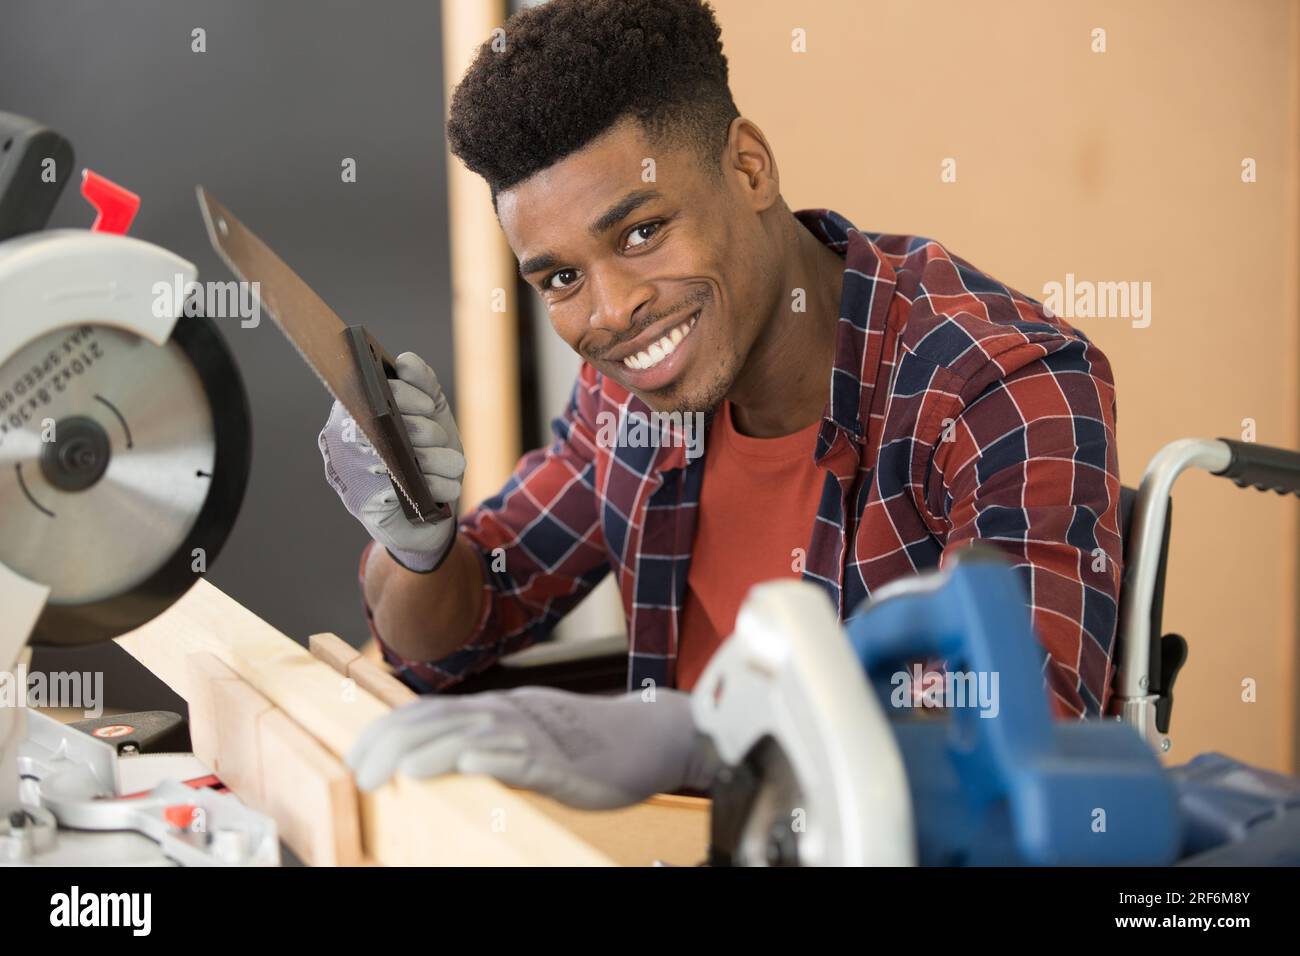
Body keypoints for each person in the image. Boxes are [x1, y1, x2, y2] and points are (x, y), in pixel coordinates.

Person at [323, 0, 1122, 805]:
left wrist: (708, 743)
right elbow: (460, 627)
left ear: (749, 168)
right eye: (561, 277)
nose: (610, 310)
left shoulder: (995, 387)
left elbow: (1017, 750)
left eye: (640, 233)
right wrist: (419, 547)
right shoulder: (629, 391)